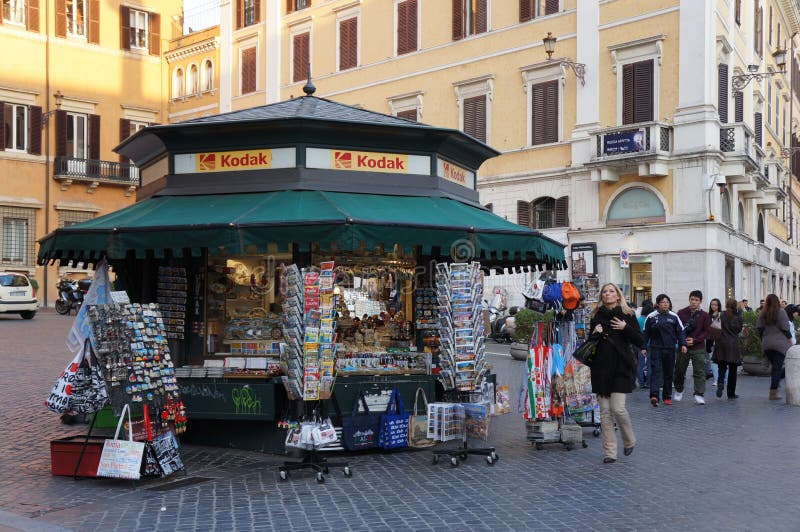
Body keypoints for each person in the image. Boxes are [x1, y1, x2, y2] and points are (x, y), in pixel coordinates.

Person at [589, 283, 644, 464]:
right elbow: (591, 343)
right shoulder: (596, 315)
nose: (608, 294)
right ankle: (610, 452)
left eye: (611, 291)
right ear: (602, 296)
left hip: (621, 367)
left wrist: (625, 327)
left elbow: (640, 340)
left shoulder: (627, 315)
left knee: (617, 408)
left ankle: (629, 440)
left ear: (618, 295)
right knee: (605, 412)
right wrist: (595, 333)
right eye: (605, 292)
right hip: (601, 368)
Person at [643, 294, 687, 406]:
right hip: (655, 348)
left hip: (670, 348)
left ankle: (667, 397)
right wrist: (643, 347)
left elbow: (680, 331)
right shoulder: (651, 317)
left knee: (668, 373)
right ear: (658, 304)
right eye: (663, 302)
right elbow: (645, 333)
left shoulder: (674, 316)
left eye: (667, 302)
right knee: (655, 372)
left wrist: (683, 344)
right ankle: (654, 396)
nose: (665, 304)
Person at [675, 291, 711, 404]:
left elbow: (707, 331)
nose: (694, 302)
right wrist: (683, 341)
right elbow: (677, 329)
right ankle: (679, 389)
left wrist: (695, 340)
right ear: (689, 299)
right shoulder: (681, 313)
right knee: (680, 370)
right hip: (683, 346)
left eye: (696, 300)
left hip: (698, 347)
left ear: (700, 301)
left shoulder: (704, 315)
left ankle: (699, 393)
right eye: (692, 299)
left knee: (699, 371)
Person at [757, 294, 793, 400]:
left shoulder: (763, 313)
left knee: (775, 368)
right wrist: (790, 339)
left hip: (767, 343)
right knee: (778, 368)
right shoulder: (781, 312)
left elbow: (759, 327)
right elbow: (785, 328)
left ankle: (775, 384)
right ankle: (773, 391)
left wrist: (763, 338)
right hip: (780, 344)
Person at [712, 299, 744, 399]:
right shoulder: (738, 317)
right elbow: (739, 330)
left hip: (721, 344)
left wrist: (710, 344)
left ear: (726, 305)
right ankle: (731, 393)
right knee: (733, 370)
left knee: (722, 367)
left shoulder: (720, 315)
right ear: (735, 306)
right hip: (733, 345)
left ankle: (720, 383)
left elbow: (714, 329)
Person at [636, 299, 654, 389]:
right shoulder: (652, 320)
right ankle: (648, 383)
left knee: (640, 364)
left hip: (640, 343)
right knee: (650, 364)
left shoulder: (638, 320)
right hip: (651, 344)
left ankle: (641, 382)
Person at [706, 298, 722, 386]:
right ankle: (716, 379)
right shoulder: (708, 316)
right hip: (711, 342)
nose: (713, 306)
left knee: (722, 361)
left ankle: (723, 378)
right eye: (712, 304)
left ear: (719, 306)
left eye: (715, 304)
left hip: (721, 342)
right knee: (713, 361)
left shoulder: (722, 315)